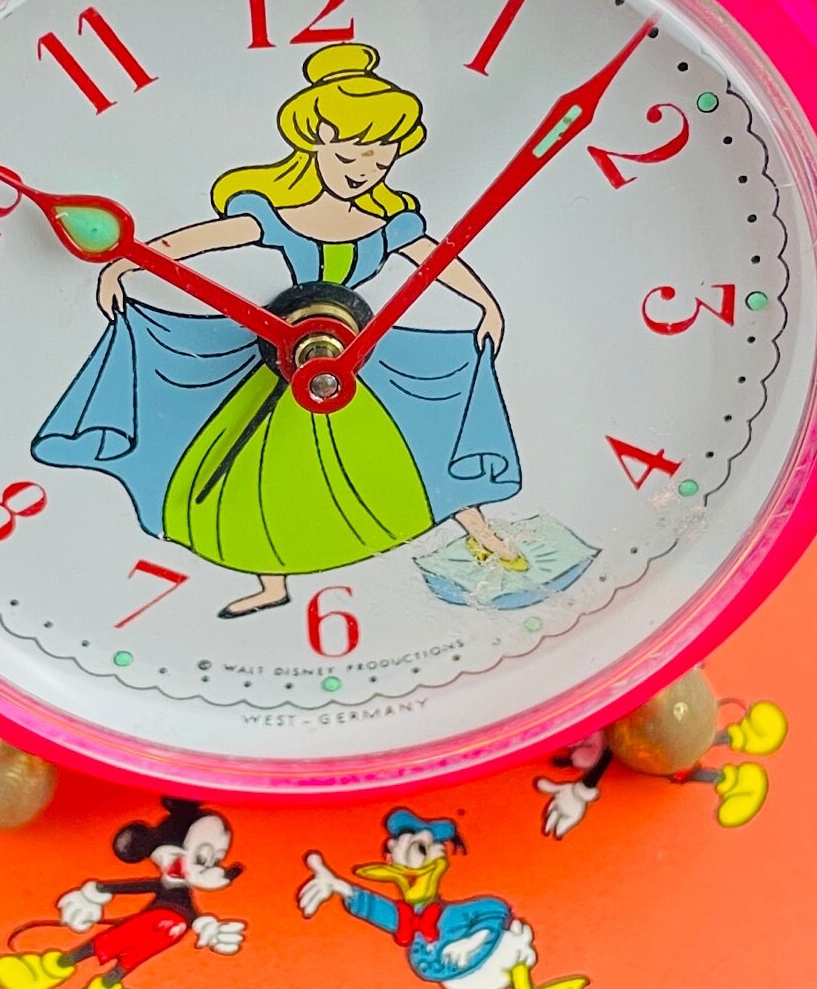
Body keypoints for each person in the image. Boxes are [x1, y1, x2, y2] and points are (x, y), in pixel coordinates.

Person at [33, 43, 525, 617]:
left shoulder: (385, 224)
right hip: (280, 357)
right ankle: (273, 584)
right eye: (351, 157)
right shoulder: (279, 217)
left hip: (354, 358)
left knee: (426, 438)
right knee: (259, 475)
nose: (364, 172)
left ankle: (483, 533)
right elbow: (200, 241)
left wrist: (487, 303)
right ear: (316, 141)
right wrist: (127, 262)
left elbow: (435, 259)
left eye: (380, 162)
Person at [297, 806, 584, 989]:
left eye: (418, 849)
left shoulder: (453, 915)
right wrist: (338, 886)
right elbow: (377, 908)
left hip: (490, 952)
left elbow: (492, 914)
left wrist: (470, 942)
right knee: (470, 987)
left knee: (511, 952)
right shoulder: (409, 919)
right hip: (451, 972)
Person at [0, 800, 247, 989]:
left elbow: (191, 913)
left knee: (134, 958)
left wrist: (208, 928)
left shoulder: (184, 894)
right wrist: (98, 890)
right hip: (151, 922)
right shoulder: (168, 882)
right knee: (113, 940)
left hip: (168, 932)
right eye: (202, 858)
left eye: (213, 860)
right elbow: (139, 886)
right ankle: (54, 965)